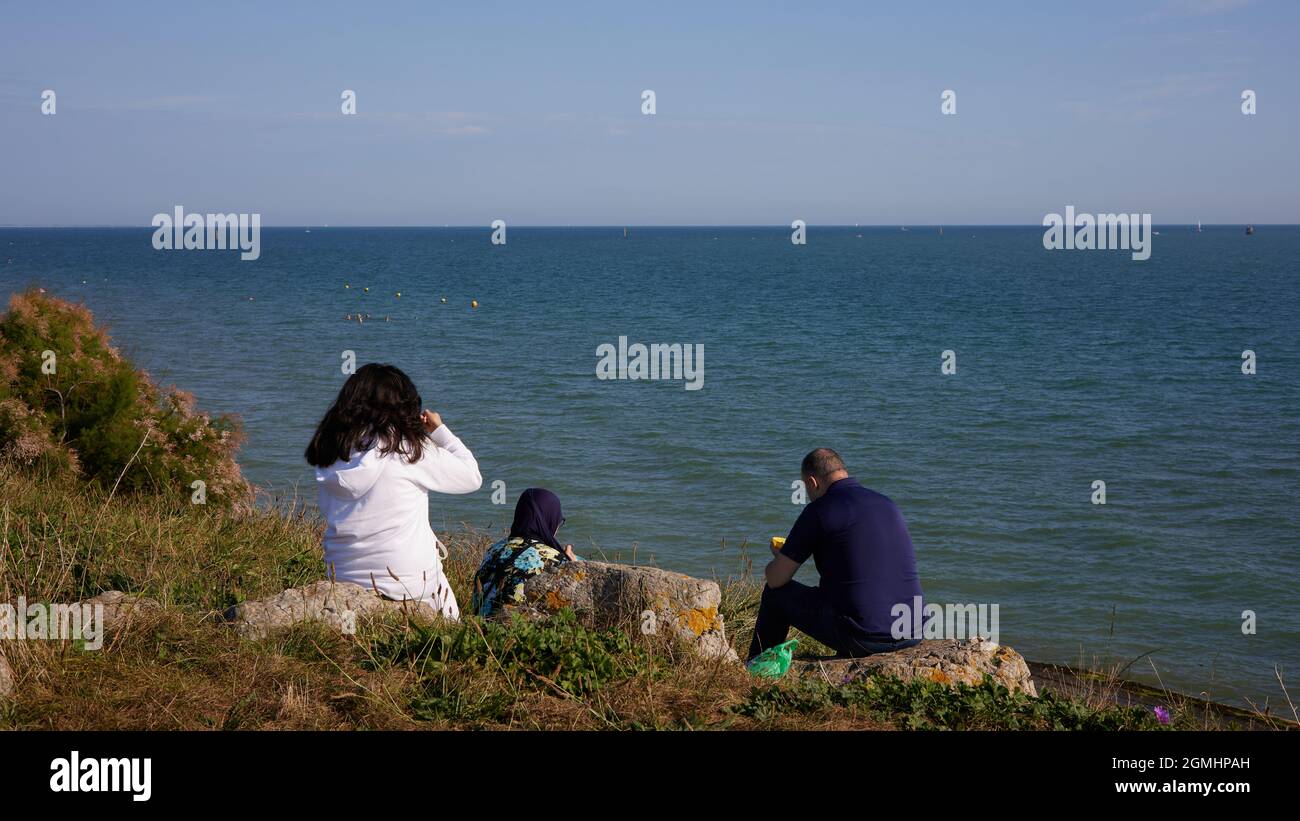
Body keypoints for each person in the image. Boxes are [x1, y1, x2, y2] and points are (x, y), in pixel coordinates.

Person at [306, 363, 482, 618]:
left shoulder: (332, 450)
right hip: (409, 583)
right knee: (446, 607)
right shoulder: (408, 449)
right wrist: (440, 433)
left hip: (343, 578)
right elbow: (471, 477)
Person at [748, 448, 925, 662]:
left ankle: (758, 669)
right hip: (913, 631)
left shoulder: (820, 510)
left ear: (813, 482)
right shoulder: (888, 504)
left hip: (863, 637)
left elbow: (776, 579)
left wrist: (780, 557)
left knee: (775, 594)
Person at [470, 488, 579, 617]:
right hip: (514, 630)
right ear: (549, 520)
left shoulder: (494, 549)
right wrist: (572, 567)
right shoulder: (554, 559)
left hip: (476, 623)